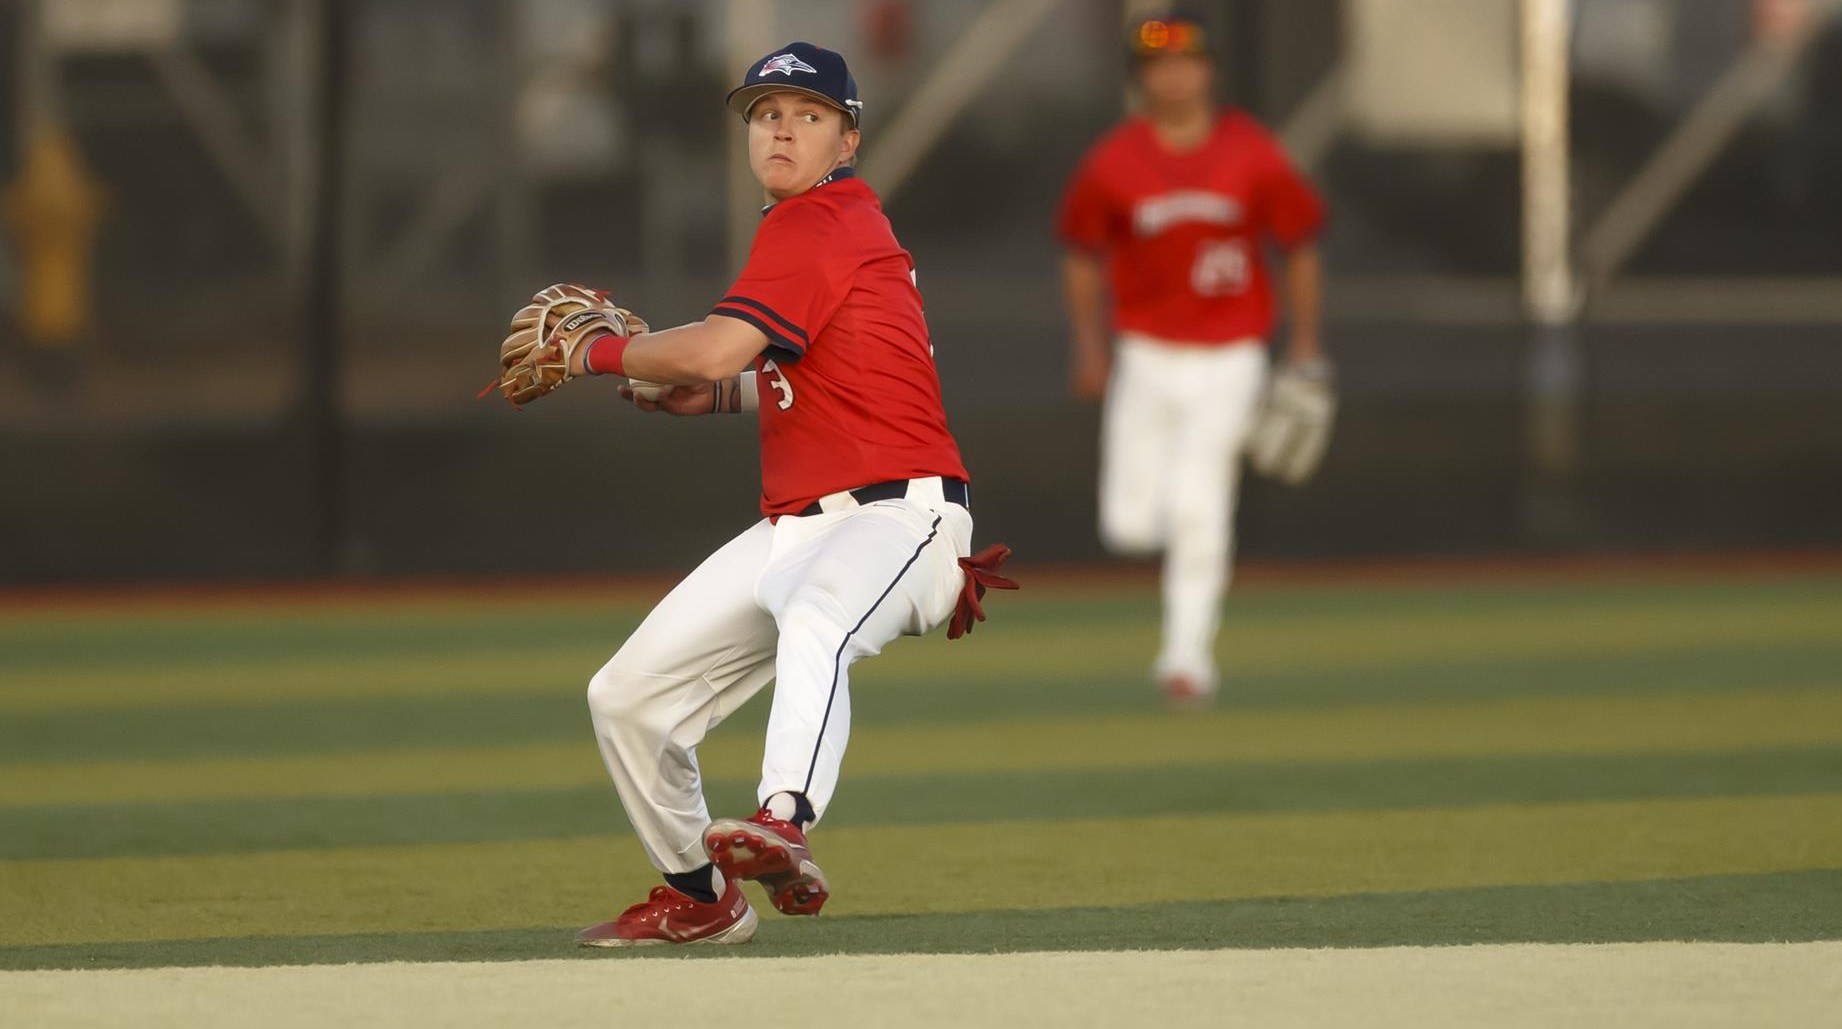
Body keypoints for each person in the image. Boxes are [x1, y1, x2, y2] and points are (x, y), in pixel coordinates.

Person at [500, 42, 1011, 947]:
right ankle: (699, 896)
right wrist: (723, 393)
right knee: (627, 696)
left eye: (806, 115)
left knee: (818, 613)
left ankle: (784, 820)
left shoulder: (824, 220)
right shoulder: (811, 230)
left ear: (846, 138)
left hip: (907, 516)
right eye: (766, 113)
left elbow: (711, 347)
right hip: (801, 521)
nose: (780, 128)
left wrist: (595, 352)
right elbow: (799, 370)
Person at [1056, 13, 1327, 705]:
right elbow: (1081, 253)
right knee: (1129, 524)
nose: (1173, 77)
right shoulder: (1115, 160)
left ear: (1209, 71)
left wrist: (1303, 346)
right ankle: (1180, 603)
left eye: (1186, 63)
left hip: (1232, 353)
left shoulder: (1253, 152)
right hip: (1145, 352)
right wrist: (1089, 346)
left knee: (1201, 504)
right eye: (1157, 67)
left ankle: (1186, 657)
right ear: (1141, 79)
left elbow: (1300, 243)